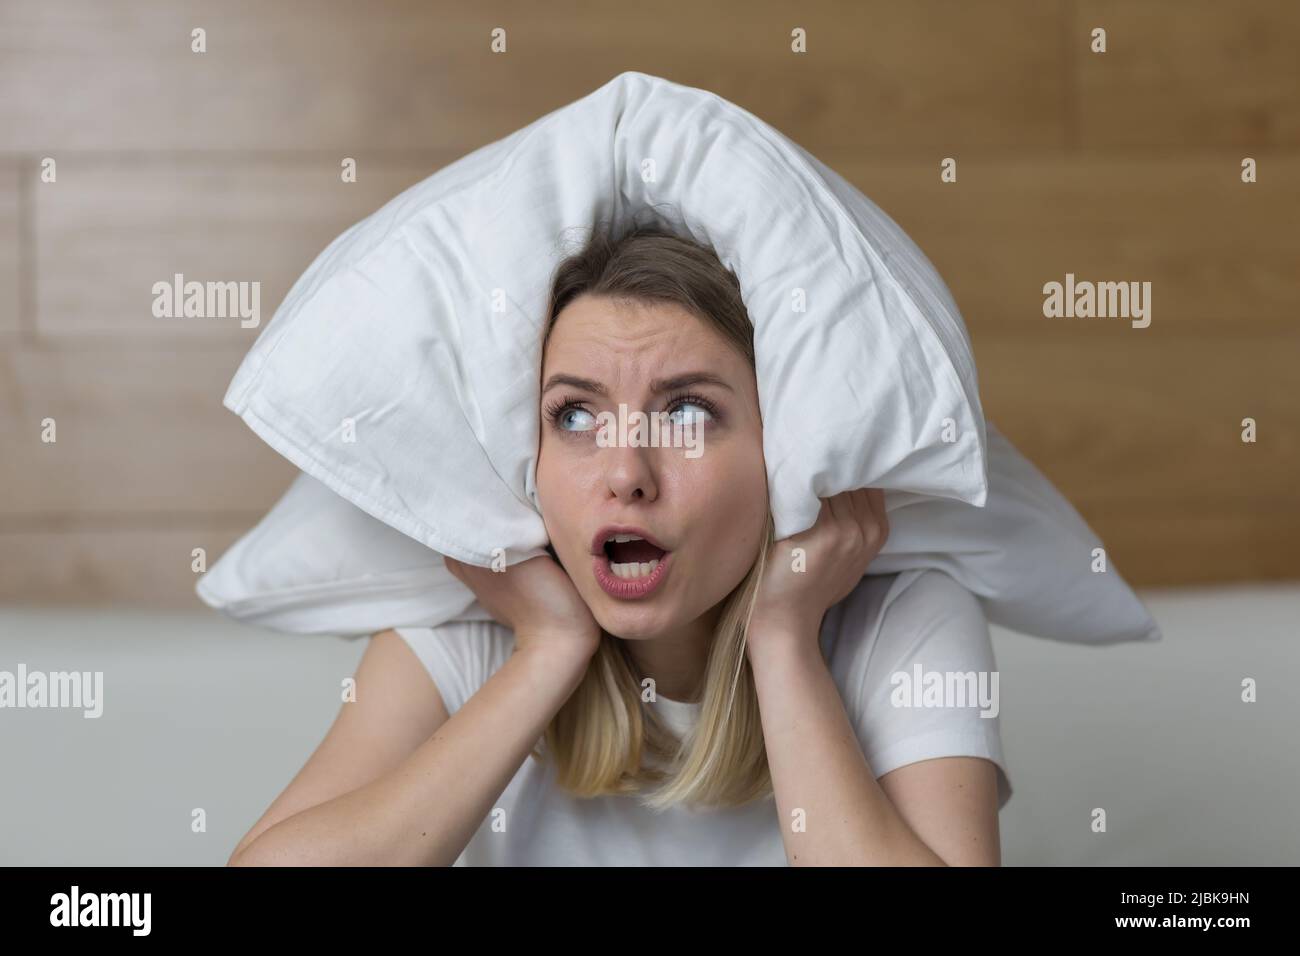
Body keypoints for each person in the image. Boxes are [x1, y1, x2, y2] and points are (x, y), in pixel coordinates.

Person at [227, 220, 1011, 866]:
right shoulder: (464, 630)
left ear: (782, 452)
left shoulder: (905, 618)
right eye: (575, 417)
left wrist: (784, 639)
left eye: (688, 415)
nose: (627, 473)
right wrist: (547, 650)